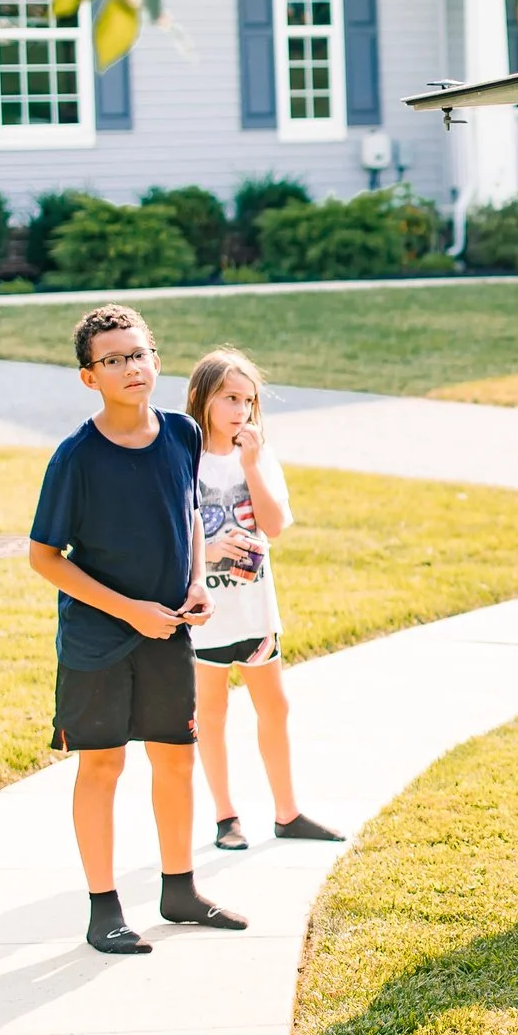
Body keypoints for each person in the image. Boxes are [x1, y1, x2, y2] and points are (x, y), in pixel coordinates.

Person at [27, 305, 246, 955]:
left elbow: (190, 517)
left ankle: (179, 890)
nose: (131, 368)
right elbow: (44, 557)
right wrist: (130, 610)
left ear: (156, 359)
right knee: (103, 766)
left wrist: (198, 582)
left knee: (176, 762)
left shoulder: (181, 433)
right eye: (113, 359)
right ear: (89, 377)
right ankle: (104, 910)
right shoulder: (77, 457)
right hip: (100, 644)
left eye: (139, 353)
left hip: (169, 636)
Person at [183, 348, 339, 851]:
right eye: (230, 398)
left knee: (274, 707)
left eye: (248, 401)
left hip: (255, 610)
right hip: (206, 614)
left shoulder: (259, 454)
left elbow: (272, 525)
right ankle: (225, 816)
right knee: (210, 714)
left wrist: (250, 464)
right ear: (202, 398)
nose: (240, 411)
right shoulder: (183, 457)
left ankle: (287, 812)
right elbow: (168, 535)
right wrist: (208, 551)